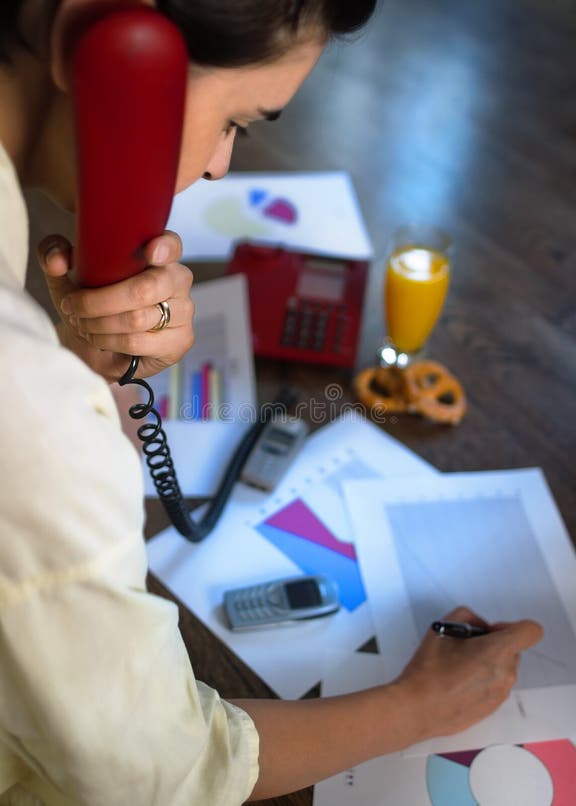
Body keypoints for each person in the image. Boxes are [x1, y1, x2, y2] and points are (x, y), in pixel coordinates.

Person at [0, 1, 543, 803]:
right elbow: (157, 774)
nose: (221, 165)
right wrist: (421, 704)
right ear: (103, 48)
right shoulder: (25, 401)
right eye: (236, 122)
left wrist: (89, 368)